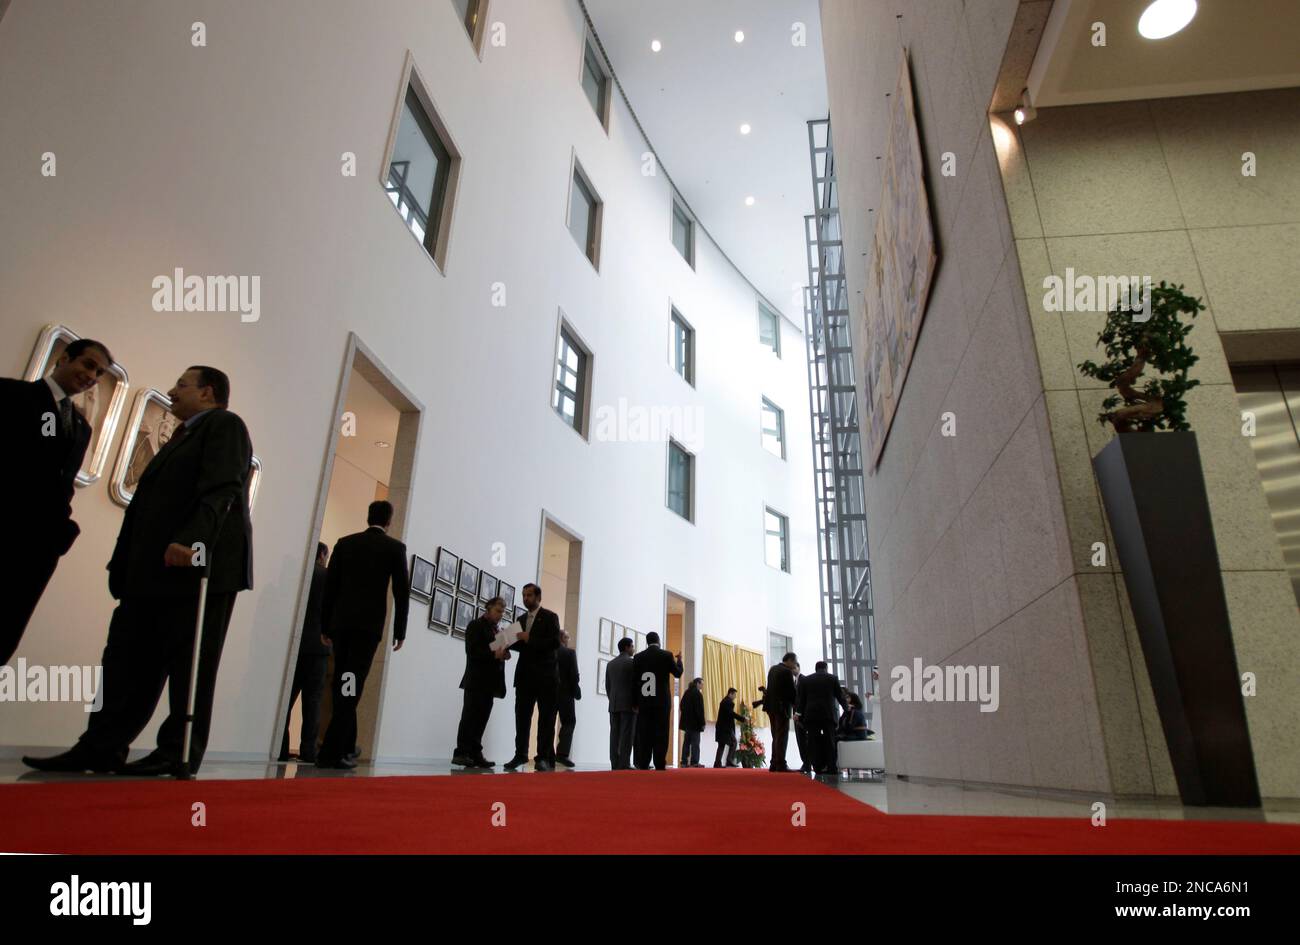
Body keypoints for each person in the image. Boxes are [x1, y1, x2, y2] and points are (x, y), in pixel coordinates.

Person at [25, 365, 253, 776]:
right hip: (152, 573)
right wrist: (123, 562)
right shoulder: (179, 437)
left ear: (207, 392)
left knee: (191, 664)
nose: (172, 390)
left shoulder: (224, 425)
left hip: (198, 570)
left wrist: (194, 540)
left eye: (182, 385)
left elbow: (223, 487)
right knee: (125, 661)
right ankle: (100, 745)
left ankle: (177, 752)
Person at [0, 338, 110, 665]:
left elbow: (63, 484)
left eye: (99, 372)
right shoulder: (11, 395)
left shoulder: (81, 427)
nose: (92, 375)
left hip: (36, 550)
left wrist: (61, 533)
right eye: (88, 364)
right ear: (64, 358)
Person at [315, 500, 410, 770]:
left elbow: (330, 589)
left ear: (368, 517)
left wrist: (325, 626)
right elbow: (401, 593)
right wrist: (400, 630)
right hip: (367, 629)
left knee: (344, 684)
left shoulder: (344, 544)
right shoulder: (394, 548)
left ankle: (346, 745)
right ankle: (331, 752)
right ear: (389, 520)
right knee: (351, 686)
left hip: (341, 626)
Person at [278, 542, 331, 763]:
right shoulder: (326, 576)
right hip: (318, 647)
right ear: (321, 555)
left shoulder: (297, 575)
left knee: (286, 701)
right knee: (313, 702)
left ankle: (280, 748)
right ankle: (308, 750)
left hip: (295, 645)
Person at [504, 583, 562, 771]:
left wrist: (529, 638)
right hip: (525, 676)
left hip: (546, 677)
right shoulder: (520, 618)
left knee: (546, 718)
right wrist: (507, 643)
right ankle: (520, 754)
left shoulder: (550, 617)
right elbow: (520, 645)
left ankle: (542, 757)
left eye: (529, 595)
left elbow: (554, 642)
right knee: (522, 717)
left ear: (538, 597)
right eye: (524, 595)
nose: (525, 598)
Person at [452, 596, 510, 768]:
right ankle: (461, 752)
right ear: (488, 608)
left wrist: (503, 654)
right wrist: (494, 654)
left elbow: (494, 651)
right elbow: (473, 652)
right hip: (476, 680)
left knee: (482, 718)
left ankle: (475, 752)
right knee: (470, 717)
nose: (500, 615)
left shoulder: (497, 630)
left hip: (490, 683)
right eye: (498, 611)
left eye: (502, 612)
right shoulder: (475, 626)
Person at [632, 631, 682, 770]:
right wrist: (680, 661)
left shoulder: (638, 657)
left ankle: (643, 762)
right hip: (661, 701)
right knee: (661, 731)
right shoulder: (666, 655)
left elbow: (634, 682)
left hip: (644, 700)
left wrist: (635, 702)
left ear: (647, 642)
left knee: (644, 732)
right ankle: (659, 762)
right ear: (658, 641)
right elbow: (677, 673)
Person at [797, 660, 850, 775]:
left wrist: (798, 714)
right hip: (828, 714)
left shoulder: (806, 680)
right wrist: (847, 709)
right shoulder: (832, 678)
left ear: (816, 668)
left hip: (811, 715)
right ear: (826, 668)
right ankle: (831, 767)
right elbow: (840, 697)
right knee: (830, 740)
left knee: (812, 741)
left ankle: (816, 767)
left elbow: (802, 700)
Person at [605, 636, 636, 770]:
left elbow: (608, 686)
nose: (633, 649)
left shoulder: (610, 664)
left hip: (613, 704)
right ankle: (624, 763)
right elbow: (635, 685)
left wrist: (612, 699)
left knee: (614, 734)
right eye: (632, 646)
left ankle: (615, 762)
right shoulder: (631, 663)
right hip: (628, 704)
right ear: (627, 647)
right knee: (627, 735)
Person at [765, 652, 799, 772]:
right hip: (782, 708)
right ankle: (781, 764)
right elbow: (791, 692)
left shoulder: (773, 669)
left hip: (770, 707)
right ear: (789, 660)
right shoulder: (786, 672)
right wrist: (797, 706)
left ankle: (773, 763)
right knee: (782, 736)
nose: (795, 666)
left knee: (775, 735)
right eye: (794, 663)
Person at [555, 629, 581, 768]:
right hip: (565, 693)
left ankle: (546, 754)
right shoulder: (569, 653)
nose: (568, 639)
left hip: (549, 692)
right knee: (569, 722)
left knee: (547, 723)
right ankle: (562, 754)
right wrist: (576, 690)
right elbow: (574, 675)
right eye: (567, 637)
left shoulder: (549, 651)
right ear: (562, 638)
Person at [713, 688, 744, 767]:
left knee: (722, 745)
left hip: (721, 727)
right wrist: (742, 719)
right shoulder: (728, 702)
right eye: (734, 695)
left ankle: (717, 763)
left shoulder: (724, 701)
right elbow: (731, 714)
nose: (735, 697)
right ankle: (729, 760)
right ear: (730, 694)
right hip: (726, 728)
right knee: (733, 743)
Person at [679, 677, 705, 767]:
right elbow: (700, 711)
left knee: (686, 743)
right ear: (697, 683)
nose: (702, 686)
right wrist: (702, 723)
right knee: (695, 744)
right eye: (702, 684)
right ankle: (694, 762)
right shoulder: (698, 694)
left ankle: (684, 762)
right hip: (695, 724)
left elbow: (681, 706)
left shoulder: (687, 692)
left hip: (687, 723)